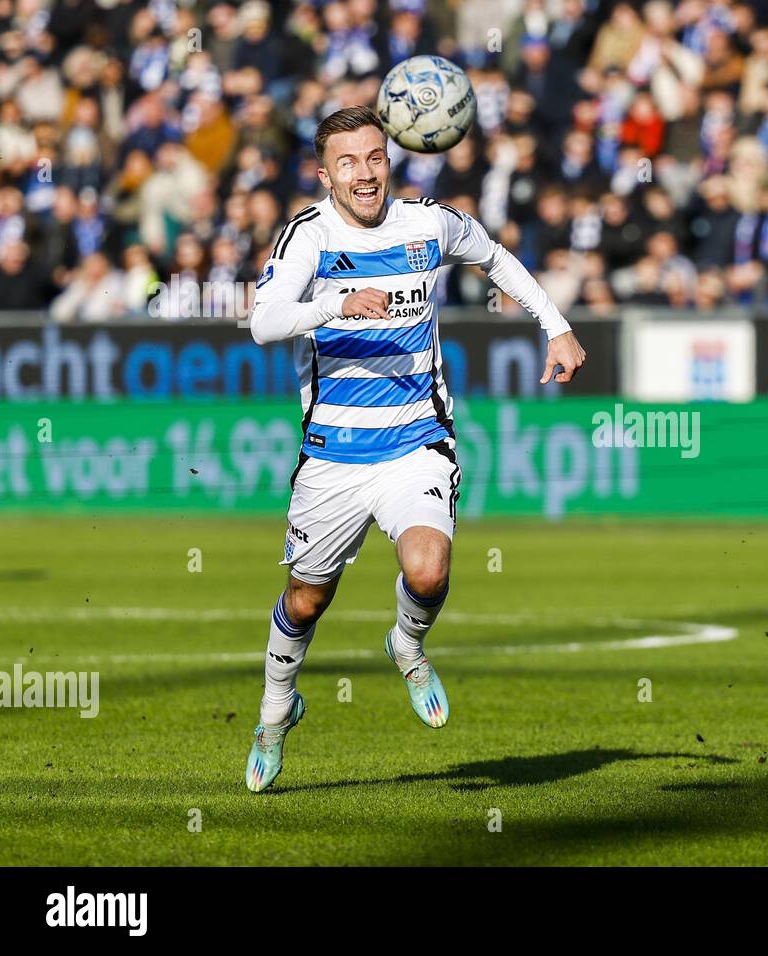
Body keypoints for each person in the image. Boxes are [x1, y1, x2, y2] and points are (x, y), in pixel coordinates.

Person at [244, 106, 586, 792]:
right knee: (307, 601)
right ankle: (275, 713)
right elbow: (264, 323)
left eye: (374, 158)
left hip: (416, 440)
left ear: (388, 162)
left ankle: (406, 642)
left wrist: (556, 326)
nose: (364, 173)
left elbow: (497, 259)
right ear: (325, 175)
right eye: (348, 162)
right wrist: (338, 305)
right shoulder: (308, 236)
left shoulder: (428, 222)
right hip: (334, 453)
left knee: (428, 571)